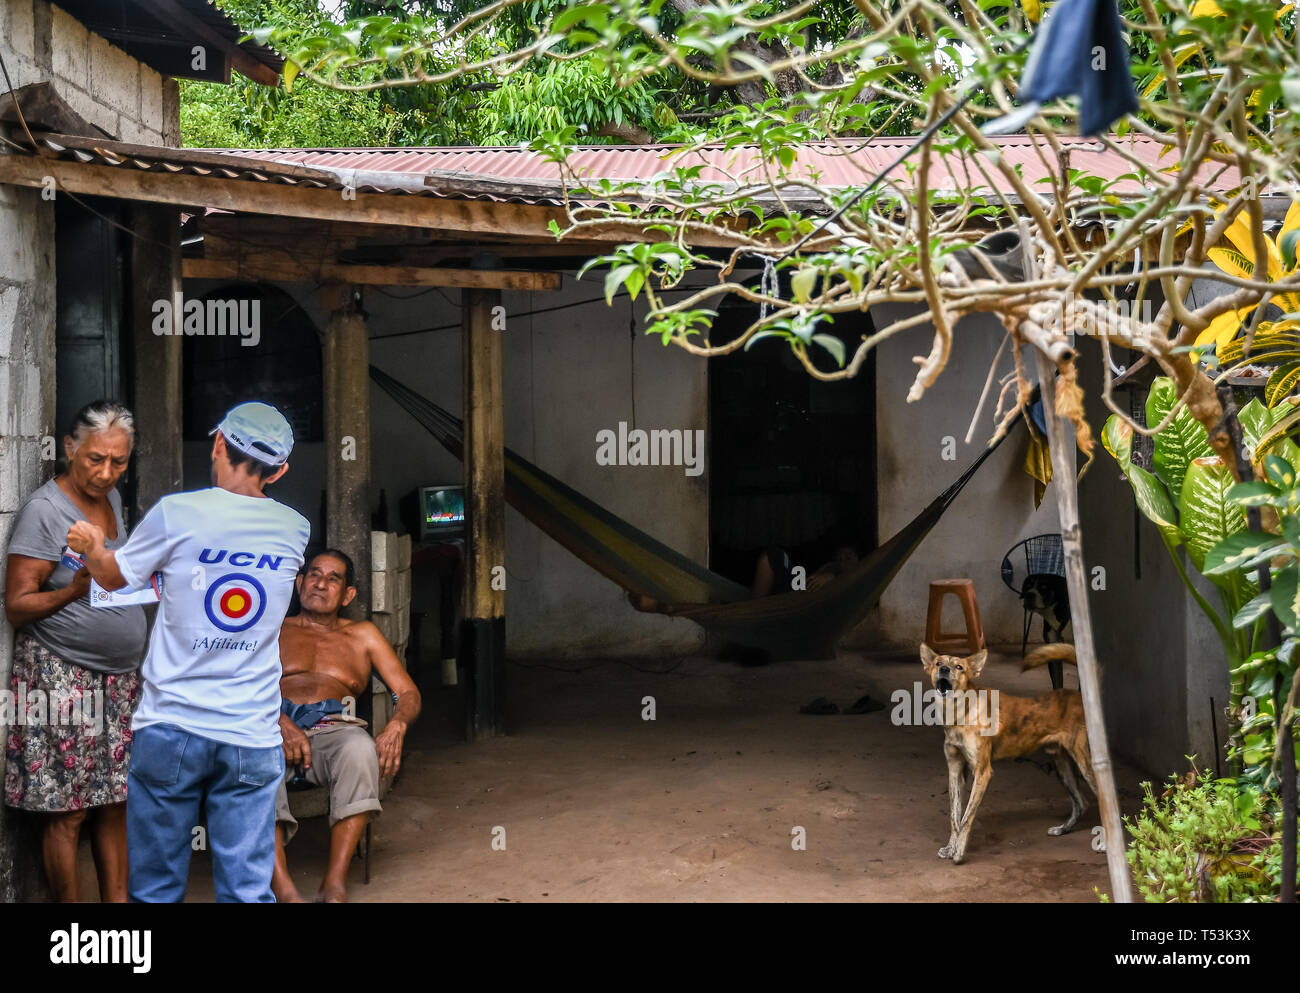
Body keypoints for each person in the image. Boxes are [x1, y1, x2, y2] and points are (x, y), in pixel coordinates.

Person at [66, 401, 310, 903]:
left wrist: (92, 545)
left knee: (155, 887)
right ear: (280, 470)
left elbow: (113, 578)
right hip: (250, 733)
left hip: (170, 726)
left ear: (218, 443)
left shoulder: (177, 514)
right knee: (246, 887)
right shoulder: (294, 528)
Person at [4, 401, 146, 902]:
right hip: (61, 676)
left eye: (119, 461)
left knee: (116, 801)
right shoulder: (45, 511)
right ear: (70, 449)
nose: (107, 472)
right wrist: (74, 590)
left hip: (119, 678)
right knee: (70, 810)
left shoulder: (111, 501)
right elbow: (18, 606)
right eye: (95, 459)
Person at [271, 548, 420, 903]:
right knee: (251, 759)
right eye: (314, 575)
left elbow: (407, 691)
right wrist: (277, 721)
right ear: (299, 582)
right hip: (271, 722)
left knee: (359, 748)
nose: (320, 584)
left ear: (348, 594)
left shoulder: (363, 635)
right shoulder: (273, 627)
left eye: (332, 578)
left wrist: (398, 724)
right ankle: (284, 889)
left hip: (332, 726)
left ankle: (334, 883)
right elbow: (238, 684)